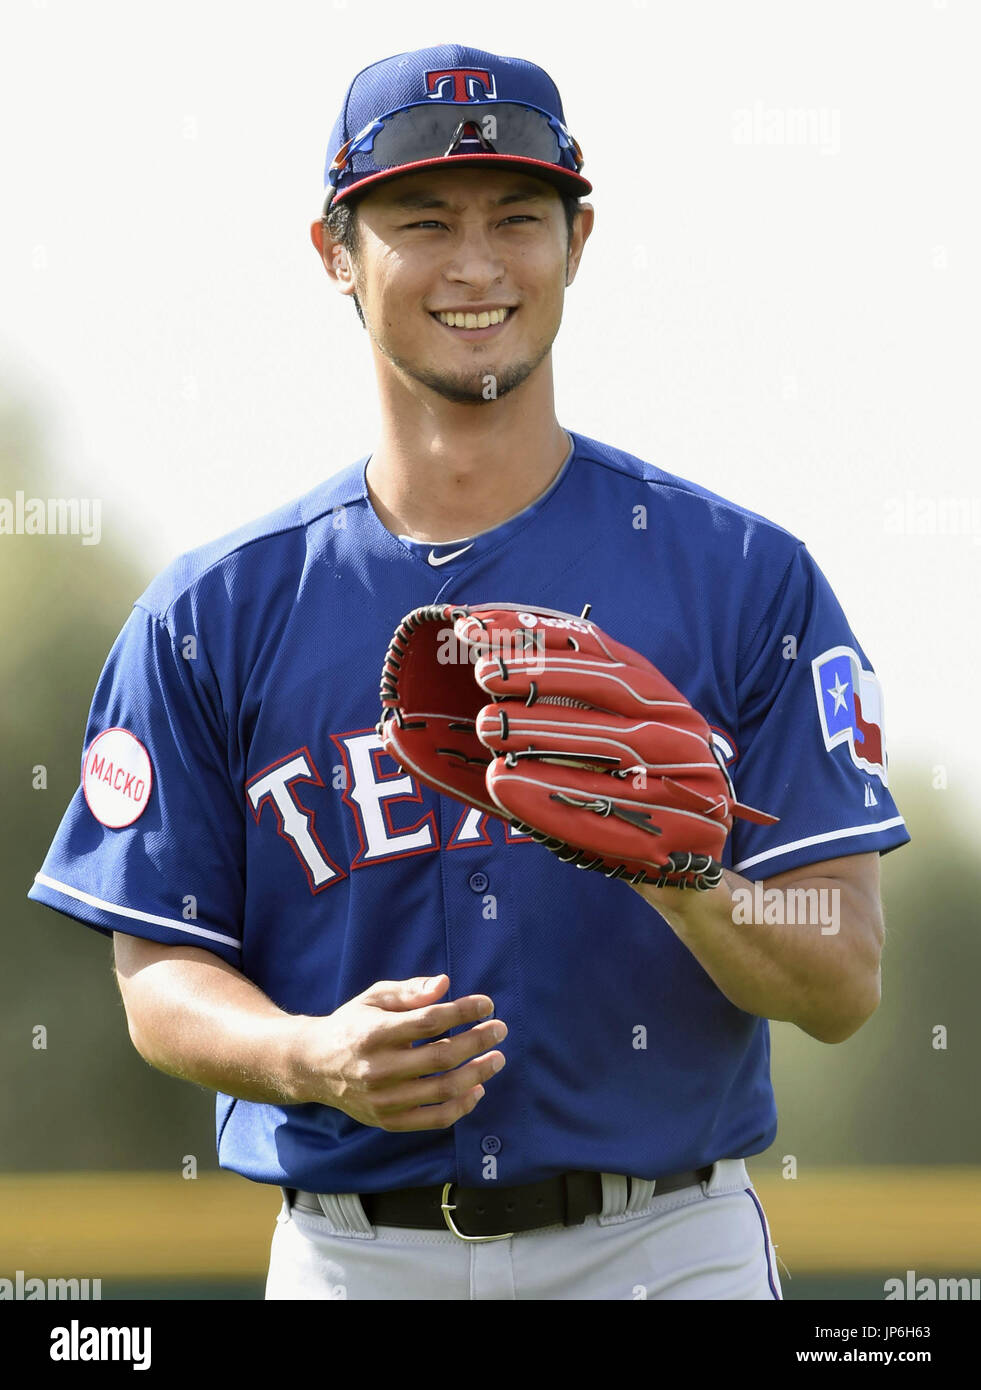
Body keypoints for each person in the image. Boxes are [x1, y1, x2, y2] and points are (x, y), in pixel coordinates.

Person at [28, 43, 910, 1301]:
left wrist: (686, 878)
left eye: (519, 217)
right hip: (348, 1252)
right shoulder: (209, 612)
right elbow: (157, 976)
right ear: (334, 251)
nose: (479, 263)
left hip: (661, 1250)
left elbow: (845, 974)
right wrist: (308, 1055)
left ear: (580, 240)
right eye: (423, 219)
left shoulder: (742, 579)